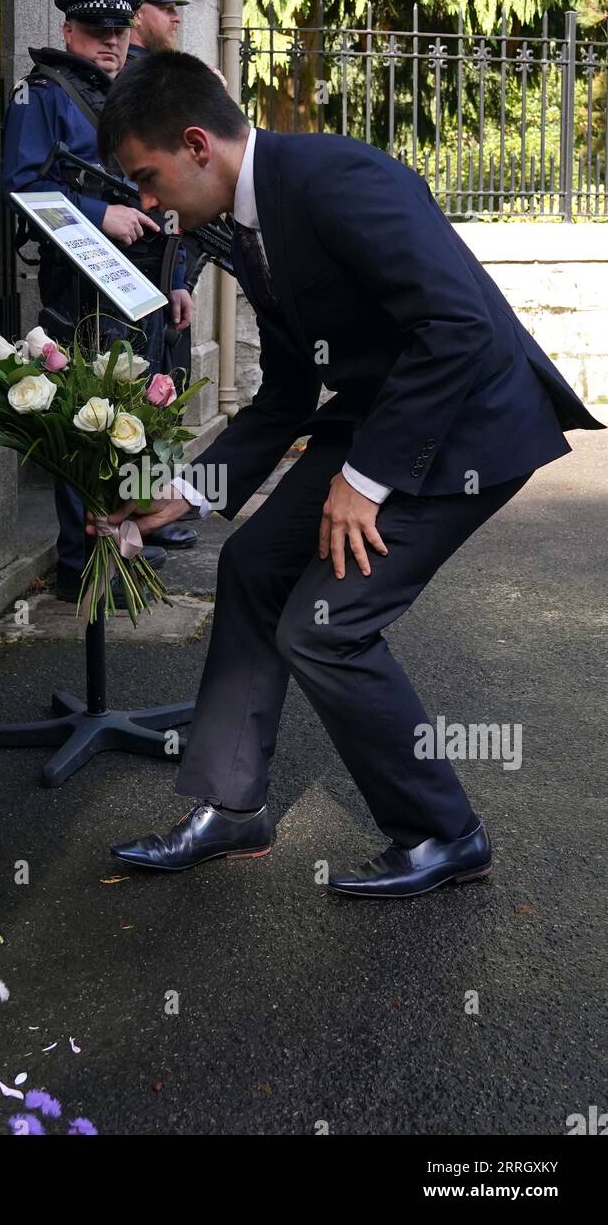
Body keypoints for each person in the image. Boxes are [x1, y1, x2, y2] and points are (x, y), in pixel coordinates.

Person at [92, 50, 604, 897]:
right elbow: (290, 390)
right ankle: (232, 805)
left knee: (325, 626)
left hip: (467, 428)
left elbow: (459, 326)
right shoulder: (245, 222)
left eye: (147, 178)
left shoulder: (336, 178)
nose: (145, 203)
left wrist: (364, 480)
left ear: (196, 146)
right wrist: (185, 492)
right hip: (382, 416)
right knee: (252, 565)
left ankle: (444, 832)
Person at [0, 0, 197, 608]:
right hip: (81, 283)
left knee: (132, 413)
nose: (110, 42)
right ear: (68, 32)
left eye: (118, 31)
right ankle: (81, 561)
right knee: (86, 419)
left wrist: (178, 281)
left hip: (140, 280)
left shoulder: (124, 94)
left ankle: (125, 535)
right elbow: (22, 186)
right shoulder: (43, 95)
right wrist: (96, 214)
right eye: (95, 31)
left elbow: (163, 194)